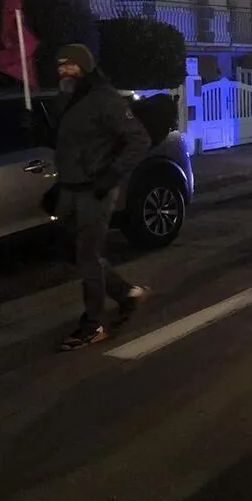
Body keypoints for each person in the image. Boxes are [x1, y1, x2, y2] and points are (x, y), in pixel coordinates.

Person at [51, 44, 151, 351]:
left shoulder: (104, 98)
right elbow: (71, 141)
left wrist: (111, 175)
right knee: (74, 250)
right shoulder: (68, 98)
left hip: (95, 189)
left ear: (84, 67)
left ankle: (92, 325)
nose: (63, 70)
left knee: (87, 257)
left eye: (69, 65)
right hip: (70, 188)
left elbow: (139, 139)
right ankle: (125, 293)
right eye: (60, 65)